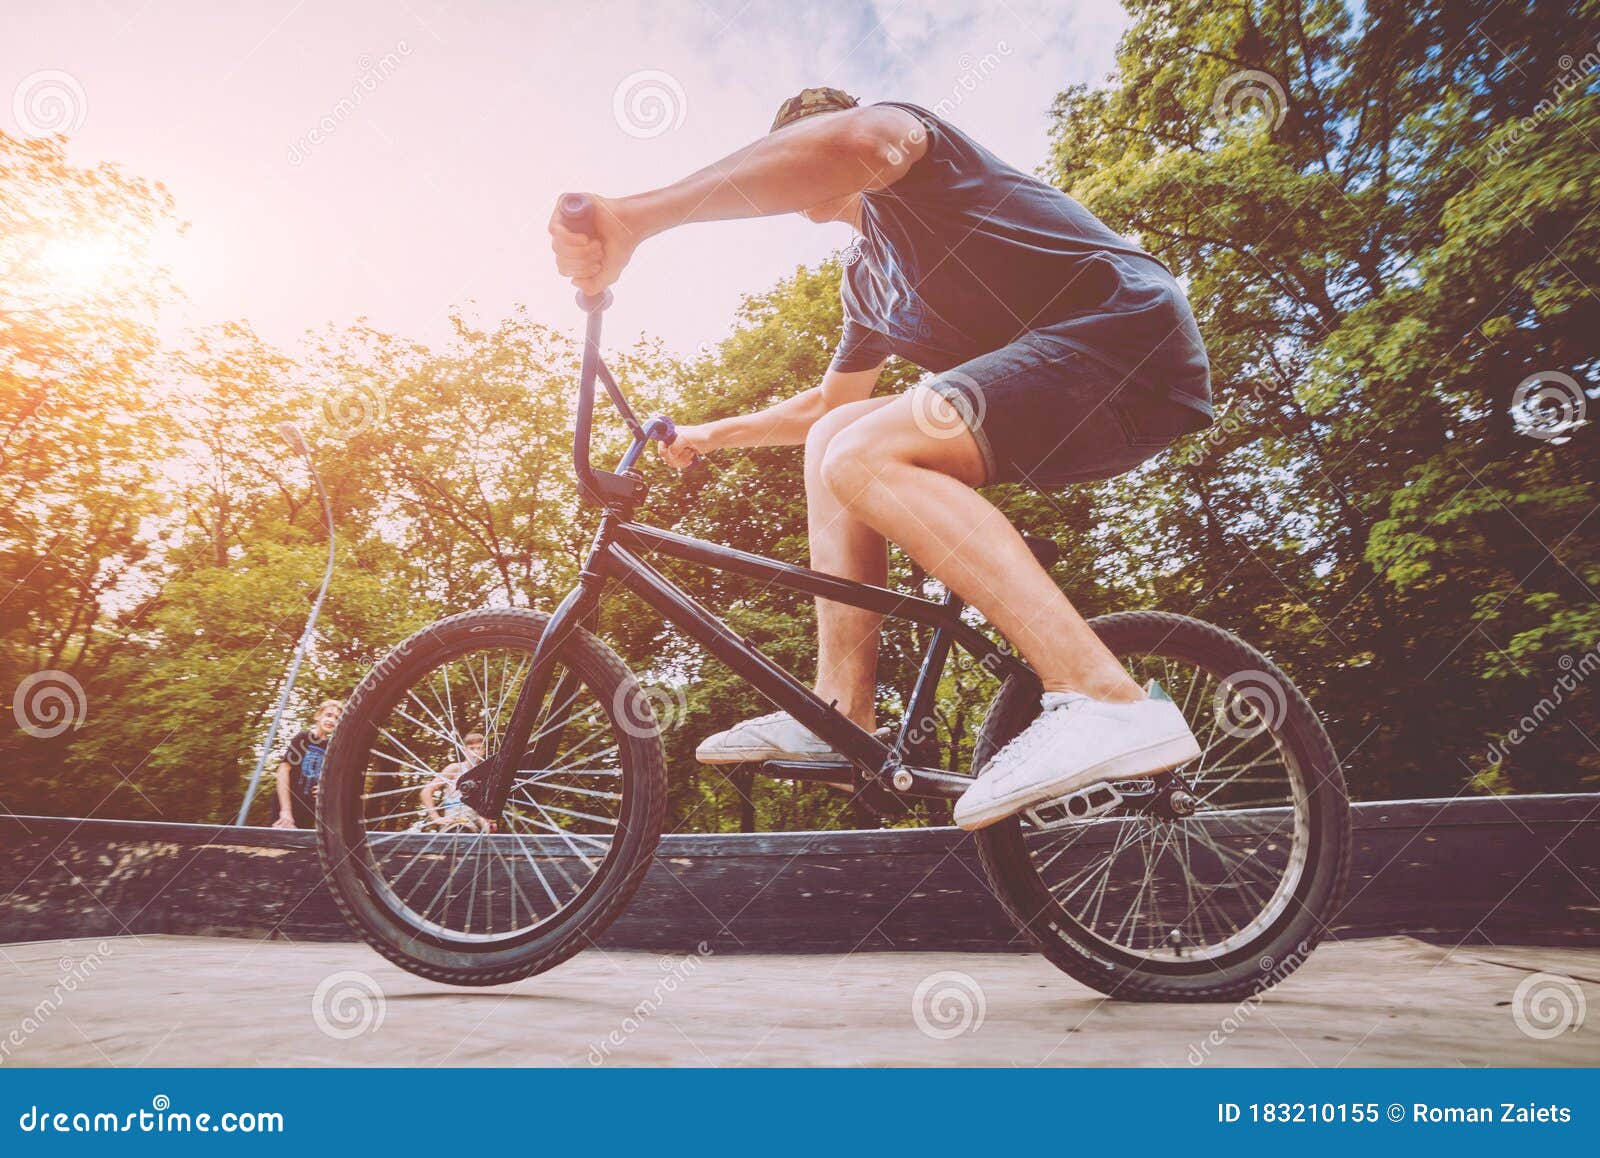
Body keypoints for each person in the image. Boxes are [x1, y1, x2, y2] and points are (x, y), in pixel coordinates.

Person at [549, 88, 1212, 831]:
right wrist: (709, 433)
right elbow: (823, 407)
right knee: (840, 439)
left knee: (863, 451)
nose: (789, 173)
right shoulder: (866, 283)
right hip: (1068, 399)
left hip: (1125, 342)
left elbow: (863, 142)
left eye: (798, 151)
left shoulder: (914, 156)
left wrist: (638, 215)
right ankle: (843, 711)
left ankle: (1104, 698)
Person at [271, 699, 342, 829]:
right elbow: (283, 771)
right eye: (328, 715)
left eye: (337, 718)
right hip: (287, 808)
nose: (332, 720)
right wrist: (285, 810)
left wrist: (325, 789)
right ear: (318, 716)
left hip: (307, 812)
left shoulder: (332, 749)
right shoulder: (303, 738)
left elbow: (331, 781)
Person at [422, 732, 496, 833]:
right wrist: (436, 818)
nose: (475, 752)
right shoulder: (455, 768)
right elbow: (426, 791)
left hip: (474, 829)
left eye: (479, 748)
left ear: (483, 751)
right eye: (471, 748)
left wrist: (488, 823)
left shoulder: (485, 776)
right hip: (455, 825)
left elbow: (480, 813)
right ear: (465, 750)